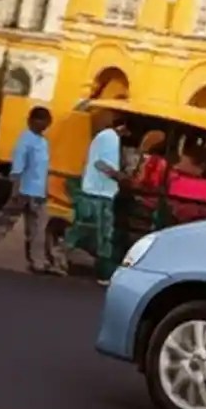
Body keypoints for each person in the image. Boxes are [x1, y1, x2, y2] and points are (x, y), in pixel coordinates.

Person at [69, 111, 128, 286]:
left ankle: (61, 256)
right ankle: (103, 273)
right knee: (103, 236)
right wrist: (120, 177)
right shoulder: (111, 138)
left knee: (83, 230)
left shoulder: (103, 136)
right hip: (101, 194)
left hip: (93, 191)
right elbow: (102, 164)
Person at [9, 106, 61, 275]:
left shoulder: (43, 142)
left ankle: (37, 261)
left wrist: (45, 191)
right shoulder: (26, 139)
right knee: (5, 226)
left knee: (38, 228)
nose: (45, 125)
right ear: (32, 121)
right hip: (24, 191)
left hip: (38, 192)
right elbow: (18, 167)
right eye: (42, 121)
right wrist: (15, 191)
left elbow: (43, 169)